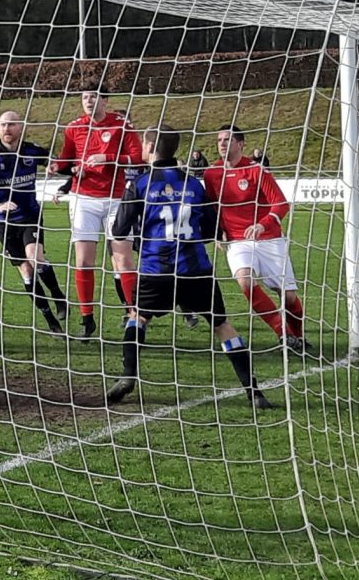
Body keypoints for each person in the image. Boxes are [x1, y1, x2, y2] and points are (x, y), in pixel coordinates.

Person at [106, 125, 271, 409]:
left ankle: (128, 376)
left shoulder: (140, 184)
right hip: (196, 270)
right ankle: (253, 390)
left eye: (145, 145)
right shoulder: (194, 184)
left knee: (138, 318)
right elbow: (210, 230)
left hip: (156, 270)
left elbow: (119, 230)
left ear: (151, 148)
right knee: (222, 325)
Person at [203, 125, 312, 353]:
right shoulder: (211, 173)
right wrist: (217, 231)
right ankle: (282, 333)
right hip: (237, 240)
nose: (222, 144)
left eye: (228, 140)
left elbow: (281, 204)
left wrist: (263, 224)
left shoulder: (256, 170)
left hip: (269, 238)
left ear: (241, 144)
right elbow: (213, 206)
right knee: (245, 282)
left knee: (289, 296)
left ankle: (298, 337)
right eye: (219, 140)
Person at [48, 83, 143, 339]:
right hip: (83, 199)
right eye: (85, 97)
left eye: (94, 97)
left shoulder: (121, 125)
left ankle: (135, 317)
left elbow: (139, 158)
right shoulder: (73, 127)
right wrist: (57, 167)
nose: (88, 101)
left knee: (123, 259)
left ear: (105, 101)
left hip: (116, 198)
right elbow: (67, 159)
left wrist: (109, 157)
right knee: (83, 261)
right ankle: (87, 318)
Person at [0, 111, 67, 334]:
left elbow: (54, 159)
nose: (6, 128)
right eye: (2, 125)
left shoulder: (31, 150)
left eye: (11, 124)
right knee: (26, 272)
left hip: (30, 215)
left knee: (36, 259)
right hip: (3, 222)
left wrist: (53, 165)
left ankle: (58, 297)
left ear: (21, 127)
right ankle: (49, 318)